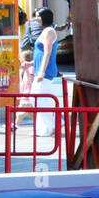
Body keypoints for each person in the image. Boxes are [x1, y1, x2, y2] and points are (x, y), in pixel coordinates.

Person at [31, 8, 61, 137]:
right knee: (36, 100)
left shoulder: (49, 31)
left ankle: (50, 127)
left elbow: (47, 53)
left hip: (45, 71)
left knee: (41, 100)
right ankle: (43, 128)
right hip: (40, 70)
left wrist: (41, 72)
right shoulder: (45, 30)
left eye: (38, 16)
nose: (36, 18)